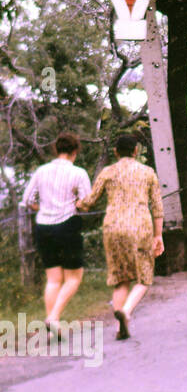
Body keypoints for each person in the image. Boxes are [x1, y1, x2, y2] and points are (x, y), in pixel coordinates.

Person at [77, 132, 164, 341]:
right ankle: (126, 311)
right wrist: (158, 235)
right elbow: (157, 206)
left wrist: (77, 203)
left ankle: (119, 326)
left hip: (113, 227)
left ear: (115, 152)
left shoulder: (108, 172)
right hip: (140, 226)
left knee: (120, 279)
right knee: (143, 277)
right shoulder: (147, 172)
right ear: (136, 151)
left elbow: (89, 202)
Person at [22, 132, 91, 338]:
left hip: (43, 226)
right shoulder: (78, 173)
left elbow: (27, 200)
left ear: (56, 149)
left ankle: (53, 327)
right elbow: (86, 202)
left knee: (53, 279)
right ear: (75, 151)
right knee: (74, 277)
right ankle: (53, 317)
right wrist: (77, 204)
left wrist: (43, 208)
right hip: (67, 224)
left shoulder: (41, 171)